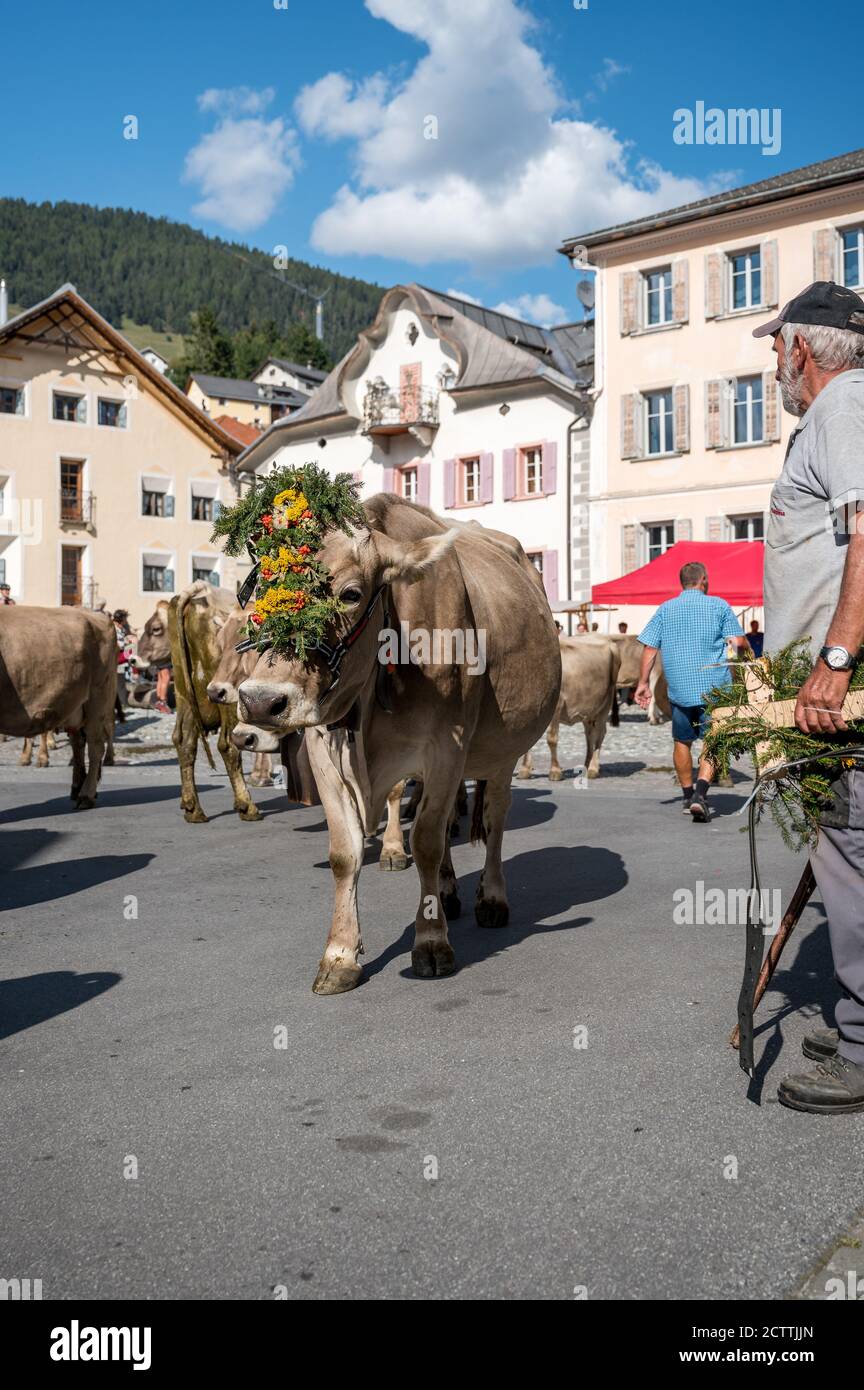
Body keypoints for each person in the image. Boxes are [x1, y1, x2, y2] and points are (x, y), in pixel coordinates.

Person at [752, 280, 864, 1114]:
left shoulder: (844, 408)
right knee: (846, 853)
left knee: (853, 860)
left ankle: (862, 1047)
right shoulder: (837, 418)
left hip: (842, 690)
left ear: (800, 349)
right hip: (832, 685)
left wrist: (834, 657)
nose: (772, 366)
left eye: (774, 348)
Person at [634, 561, 747, 821]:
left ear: (681, 582)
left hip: (679, 690)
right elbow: (737, 642)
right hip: (714, 690)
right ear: (704, 579)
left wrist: (642, 684)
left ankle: (686, 796)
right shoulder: (718, 605)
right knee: (713, 739)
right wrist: (737, 662)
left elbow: (649, 649)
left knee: (682, 741)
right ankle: (701, 794)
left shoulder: (666, 609)